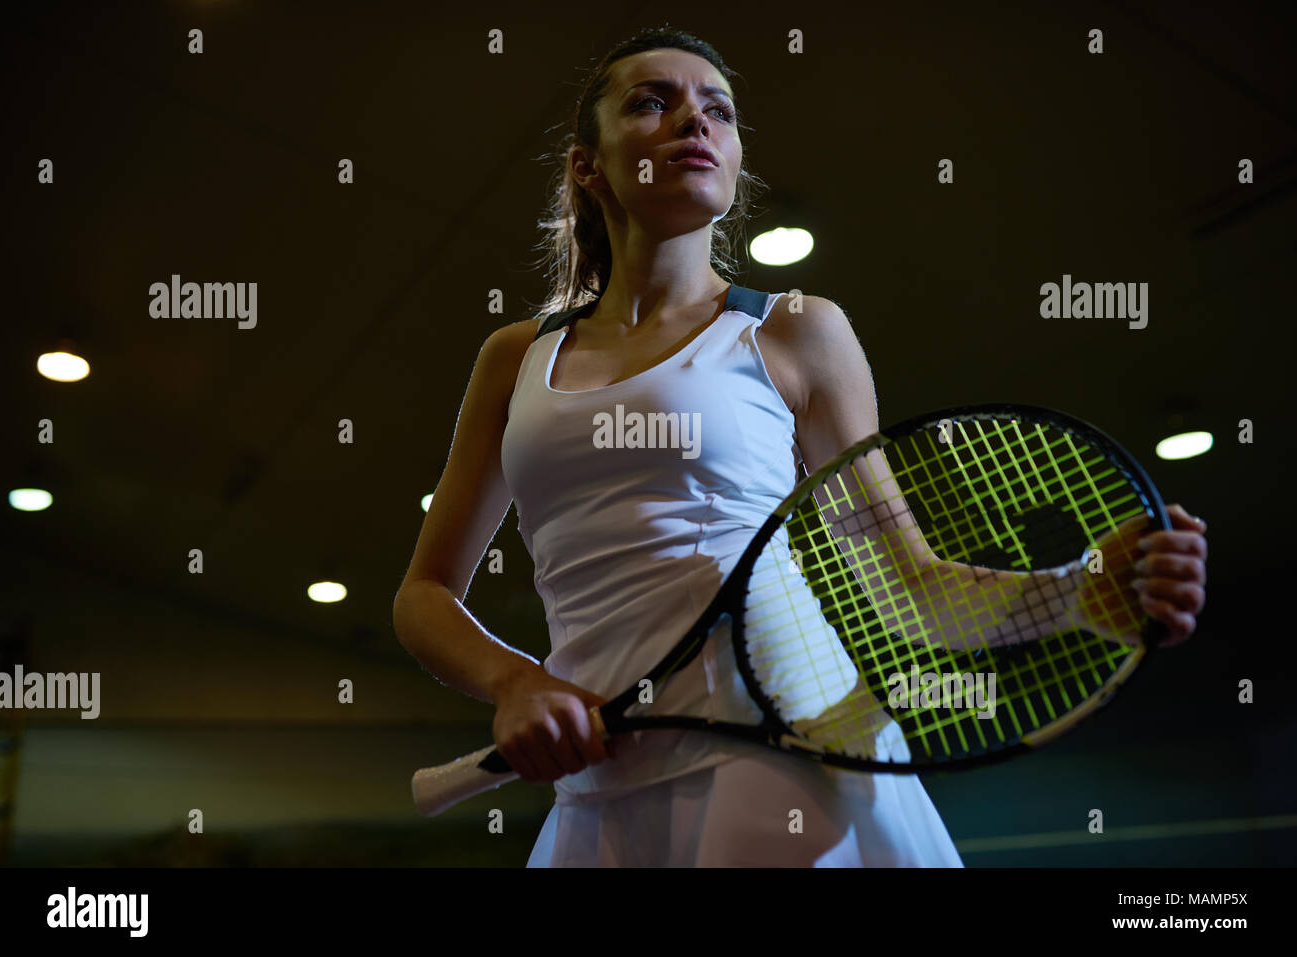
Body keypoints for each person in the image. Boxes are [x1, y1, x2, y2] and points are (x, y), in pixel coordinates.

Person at [392, 27, 1209, 867]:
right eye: (650, 102)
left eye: (718, 111)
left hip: (784, 748)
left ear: (736, 156)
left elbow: (908, 587)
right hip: (595, 785)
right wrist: (515, 680)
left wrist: (1085, 587)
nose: (693, 123)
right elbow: (423, 594)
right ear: (587, 166)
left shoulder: (796, 331)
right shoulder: (513, 358)